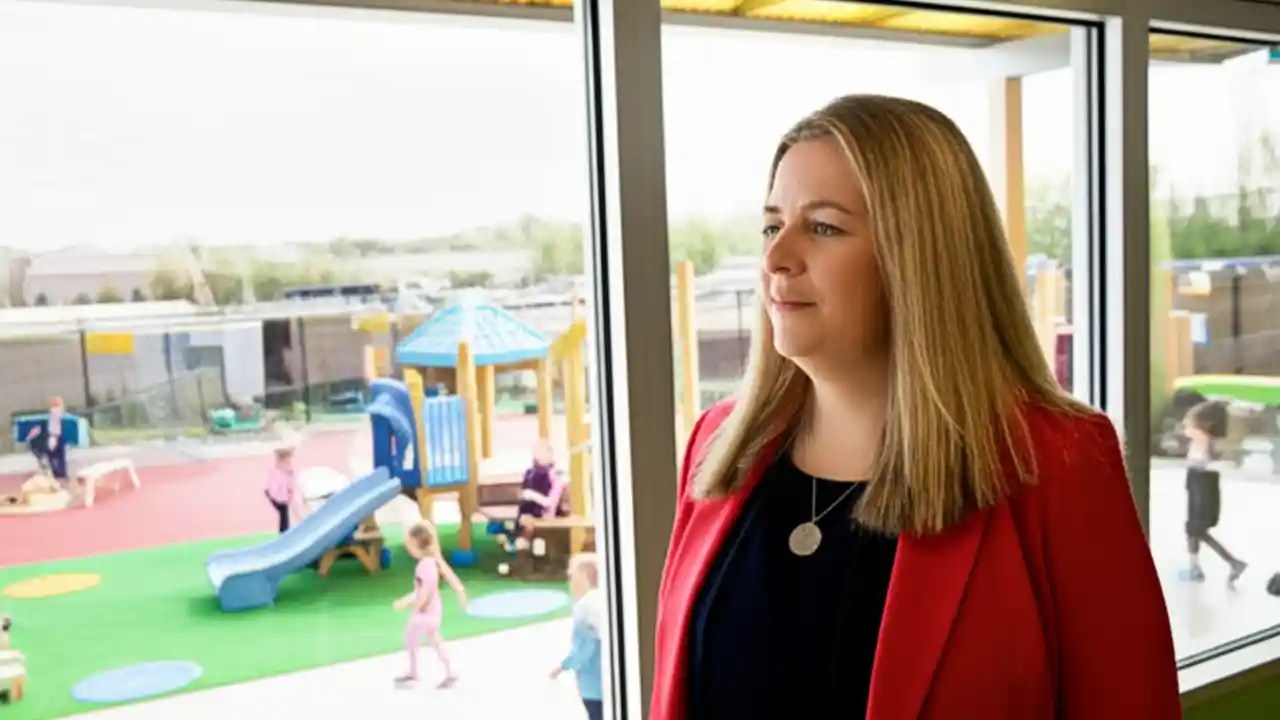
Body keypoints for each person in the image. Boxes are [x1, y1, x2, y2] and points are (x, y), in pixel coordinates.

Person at [651, 95, 1180, 719]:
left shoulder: (1055, 461)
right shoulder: (717, 446)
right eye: (772, 225)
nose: (774, 259)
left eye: (823, 226)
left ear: (919, 256)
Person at [393, 521, 466, 689]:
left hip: (427, 612)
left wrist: (417, 606)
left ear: (416, 544)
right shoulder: (430, 562)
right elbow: (423, 589)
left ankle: (416, 672)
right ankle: (447, 672)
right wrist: (407, 601)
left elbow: (427, 589)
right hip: (430, 610)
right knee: (430, 639)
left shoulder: (425, 566)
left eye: (409, 543)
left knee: (415, 637)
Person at [1181, 400, 1247, 586]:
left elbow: (1187, 425)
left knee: (1196, 528)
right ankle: (1194, 566)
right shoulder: (1207, 438)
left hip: (1200, 480)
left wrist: (1203, 410)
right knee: (1192, 527)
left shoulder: (1201, 436)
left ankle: (1232, 562)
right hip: (1198, 479)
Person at [551, 554, 604, 720]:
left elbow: (584, 648)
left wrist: (564, 665)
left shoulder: (585, 607)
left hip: (593, 685)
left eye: (572, 576)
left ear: (584, 576)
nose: (570, 582)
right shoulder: (603, 599)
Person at [26, 397, 68, 481]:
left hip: (54, 436)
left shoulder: (53, 413)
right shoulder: (57, 412)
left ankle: (58, 473)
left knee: (54, 456)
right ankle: (60, 474)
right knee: (56, 456)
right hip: (54, 436)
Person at [263, 446, 302, 534]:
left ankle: (287, 530)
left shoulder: (287, 470)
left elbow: (290, 483)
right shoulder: (277, 470)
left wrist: (289, 492)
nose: (289, 463)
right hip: (275, 494)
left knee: (286, 512)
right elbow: (275, 487)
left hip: (278, 493)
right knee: (284, 513)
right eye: (287, 461)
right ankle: (284, 532)